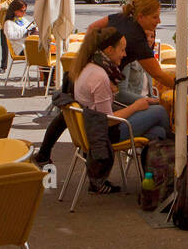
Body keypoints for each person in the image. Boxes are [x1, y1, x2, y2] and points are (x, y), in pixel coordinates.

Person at [71, 24, 169, 190]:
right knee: (160, 111)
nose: (125, 54)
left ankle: (154, 180)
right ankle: (174, 169)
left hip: (91, 128)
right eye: (122, 49)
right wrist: (136, 107)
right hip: (102, 133)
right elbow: (107, 120)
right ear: (109, 50)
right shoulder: (100, 76)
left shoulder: (88, 67)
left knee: (158, 133)